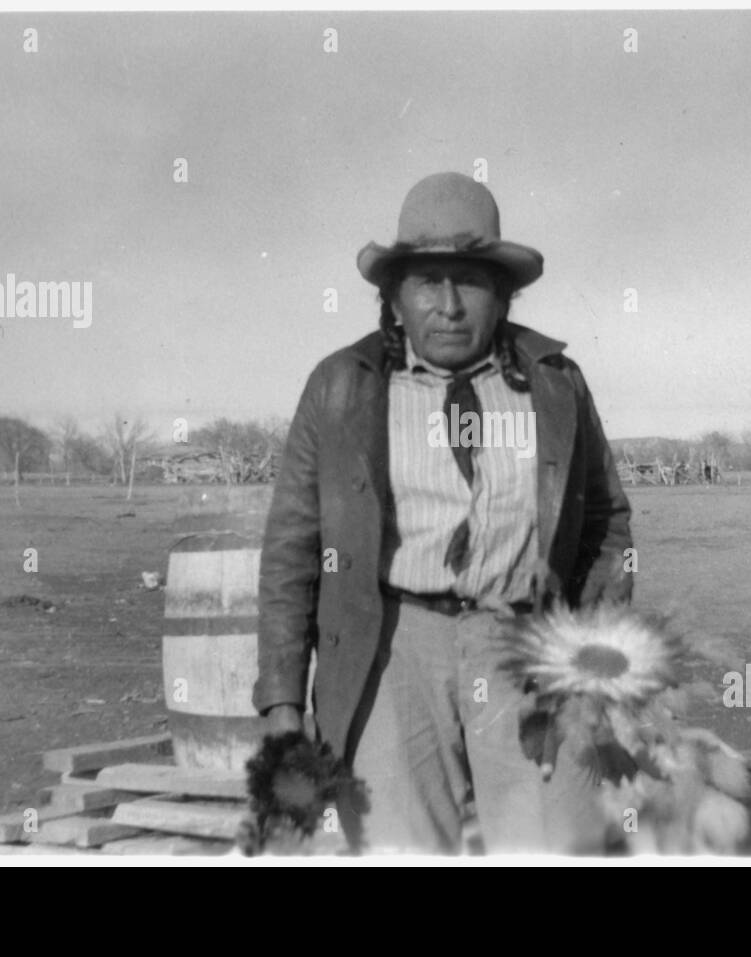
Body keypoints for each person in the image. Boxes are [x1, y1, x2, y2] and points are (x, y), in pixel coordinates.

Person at [251, 171, 633, 853]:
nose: (449, 305)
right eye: (428, 281)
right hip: (393, 650)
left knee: (558, 841)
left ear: (504, 292)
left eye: (471, 280)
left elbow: (605, 522)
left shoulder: (555, 384)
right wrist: (283, 702)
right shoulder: (342, 388)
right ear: (394, 296)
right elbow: (291, 551)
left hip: (523, 642)